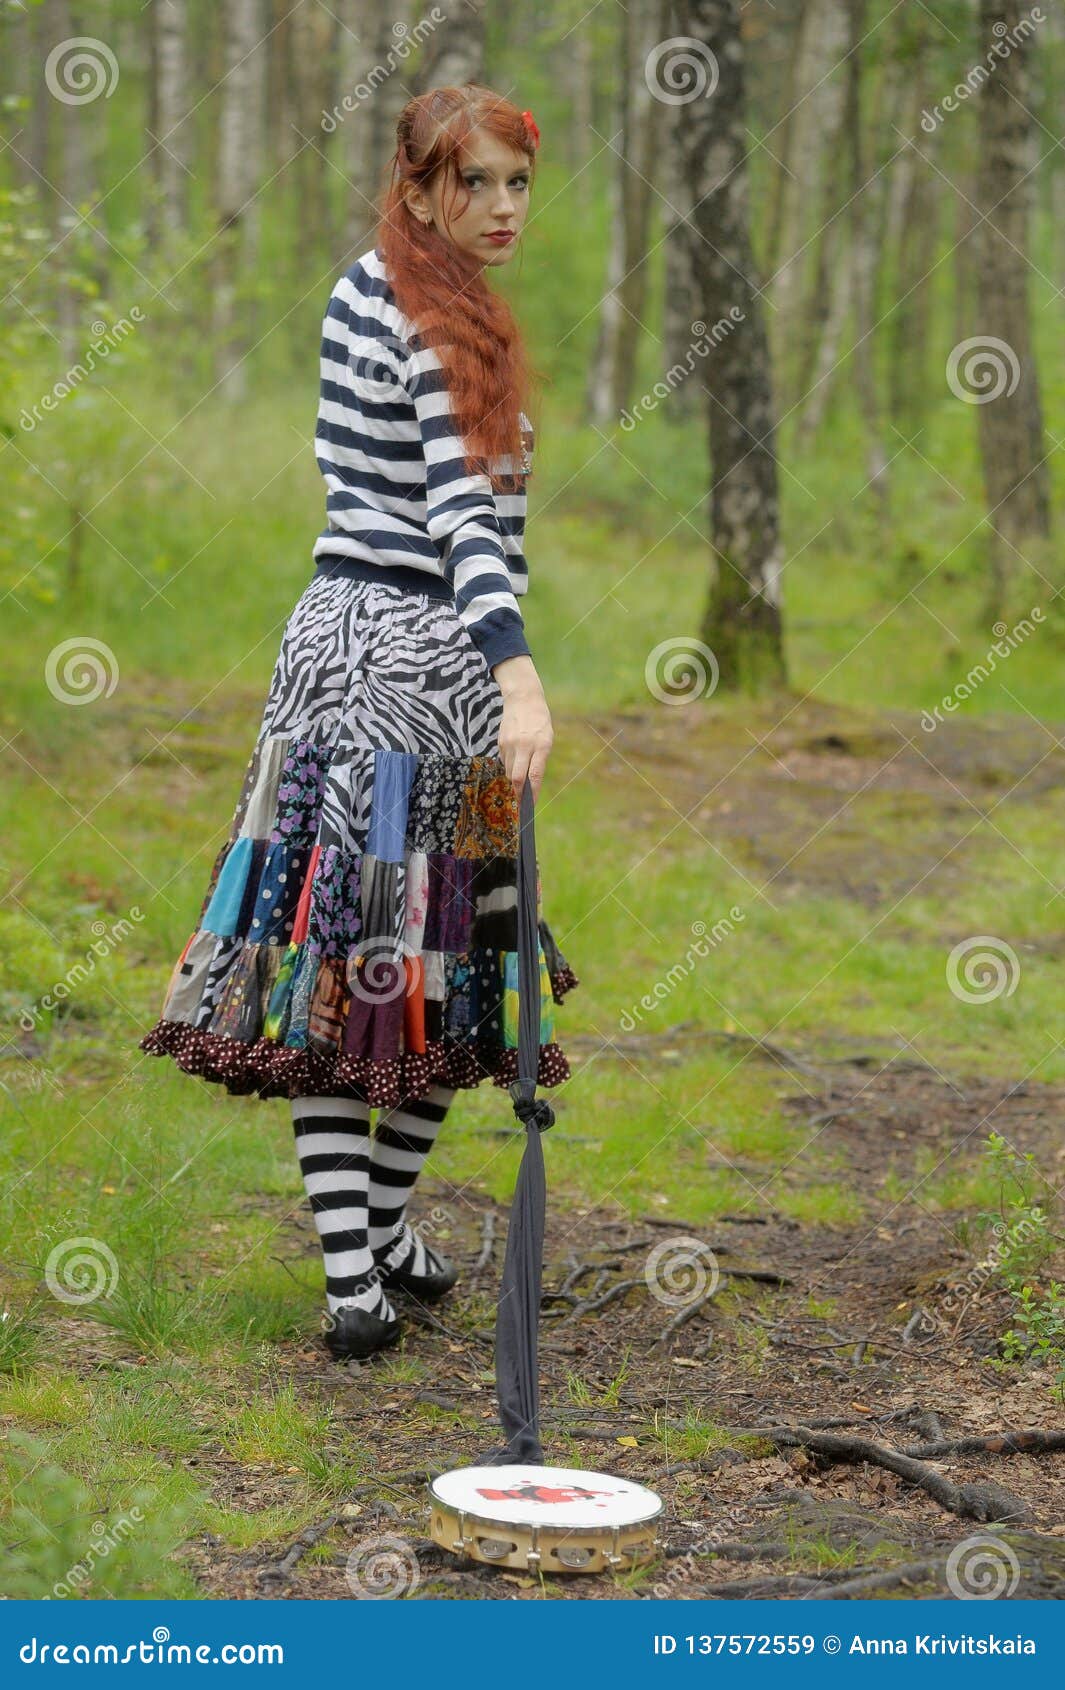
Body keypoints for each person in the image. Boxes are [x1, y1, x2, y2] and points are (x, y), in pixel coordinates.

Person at [138, 85, 578, 1362]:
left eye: (518, 183)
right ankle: (356, 1271)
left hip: (363, 651)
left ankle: (373, 1245)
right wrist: (518, 670)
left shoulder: (399, 292)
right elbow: (455, 510)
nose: (502, 208)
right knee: (385, 963)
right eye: (476, 183)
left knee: (424, 964)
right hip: (406, 661)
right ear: (422, 183)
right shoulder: (404, 306)